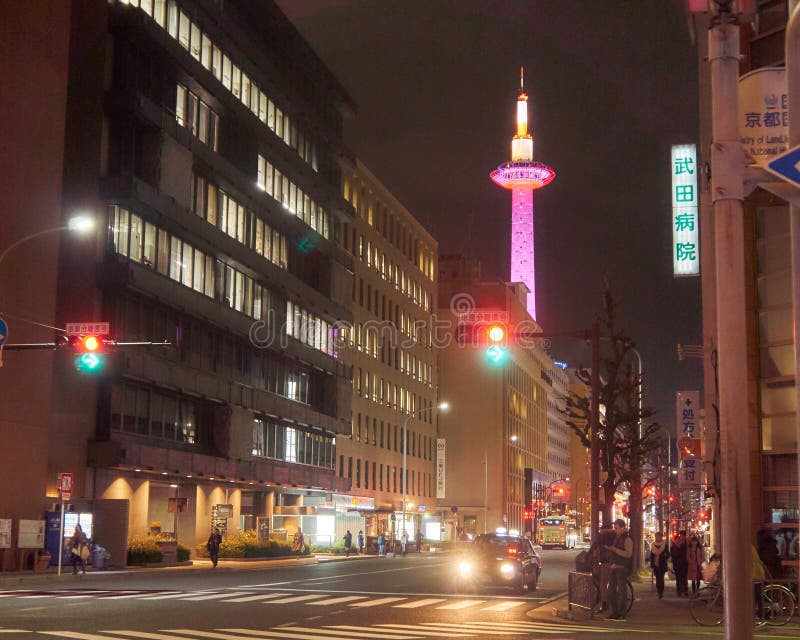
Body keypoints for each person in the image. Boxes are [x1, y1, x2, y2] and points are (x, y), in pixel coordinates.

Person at [603, 518, 633, 621]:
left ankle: (621, 613)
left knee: (621, 591)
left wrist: (614, 549)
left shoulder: (627, 539)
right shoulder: (617, 538)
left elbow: (628, 554)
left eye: (616, 528)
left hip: (622, 567)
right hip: (614, 566)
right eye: (614, 528)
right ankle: (615, 612)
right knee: (610, 591)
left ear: (622, 528)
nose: (615, 530)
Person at [649, 531, 670, 599]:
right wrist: (652, 562)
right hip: (655, 563)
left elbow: (668, 554)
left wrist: (664, 558)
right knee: (657, 578)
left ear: (661, 537)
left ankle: (661, 592)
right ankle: (658, 591)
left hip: (662, 563)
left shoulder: (664, 544)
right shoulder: (653, 544)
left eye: (658, 536)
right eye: (656, 536)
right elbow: (651, 555)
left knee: (661, 578)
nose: (657, 538)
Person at [671, 530, 689, 597]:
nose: (682, 537)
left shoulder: (685, 544)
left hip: (684, 563)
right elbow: (673, 555)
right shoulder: (674, 545)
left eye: (683, 535)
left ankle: (685, 590)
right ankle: (679, 591)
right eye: (681, 535)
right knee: (679, 578)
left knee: (684, 578)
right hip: (678, 564)